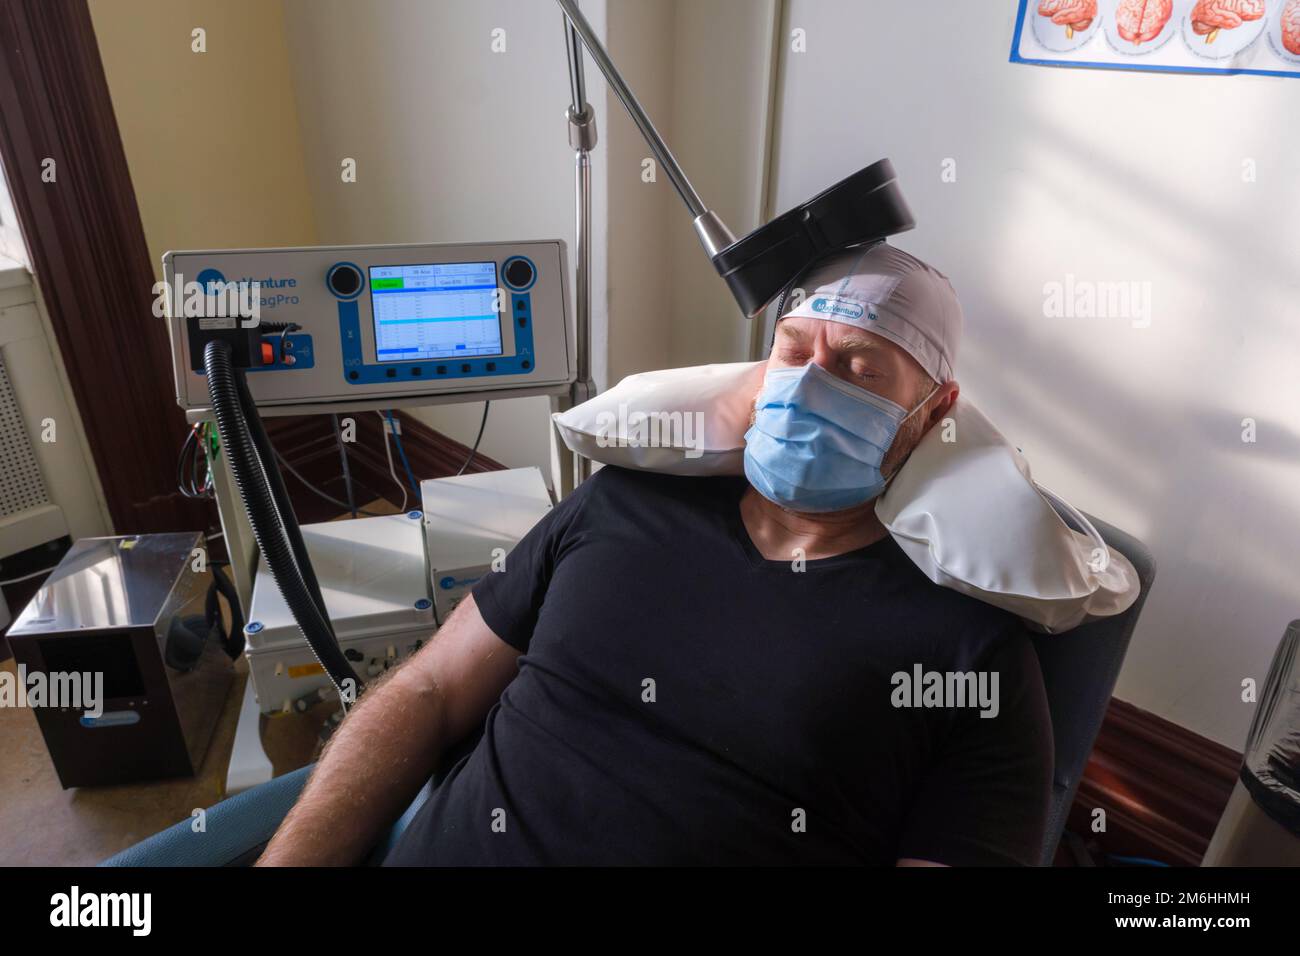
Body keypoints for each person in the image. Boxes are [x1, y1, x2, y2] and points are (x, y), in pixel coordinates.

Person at [257, 241, 1053, 867]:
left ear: (933, 409)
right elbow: (428, 688)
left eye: (858, 368)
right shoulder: (623, 502)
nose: (811, 386)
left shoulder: (966, 651)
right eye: (794, 350)